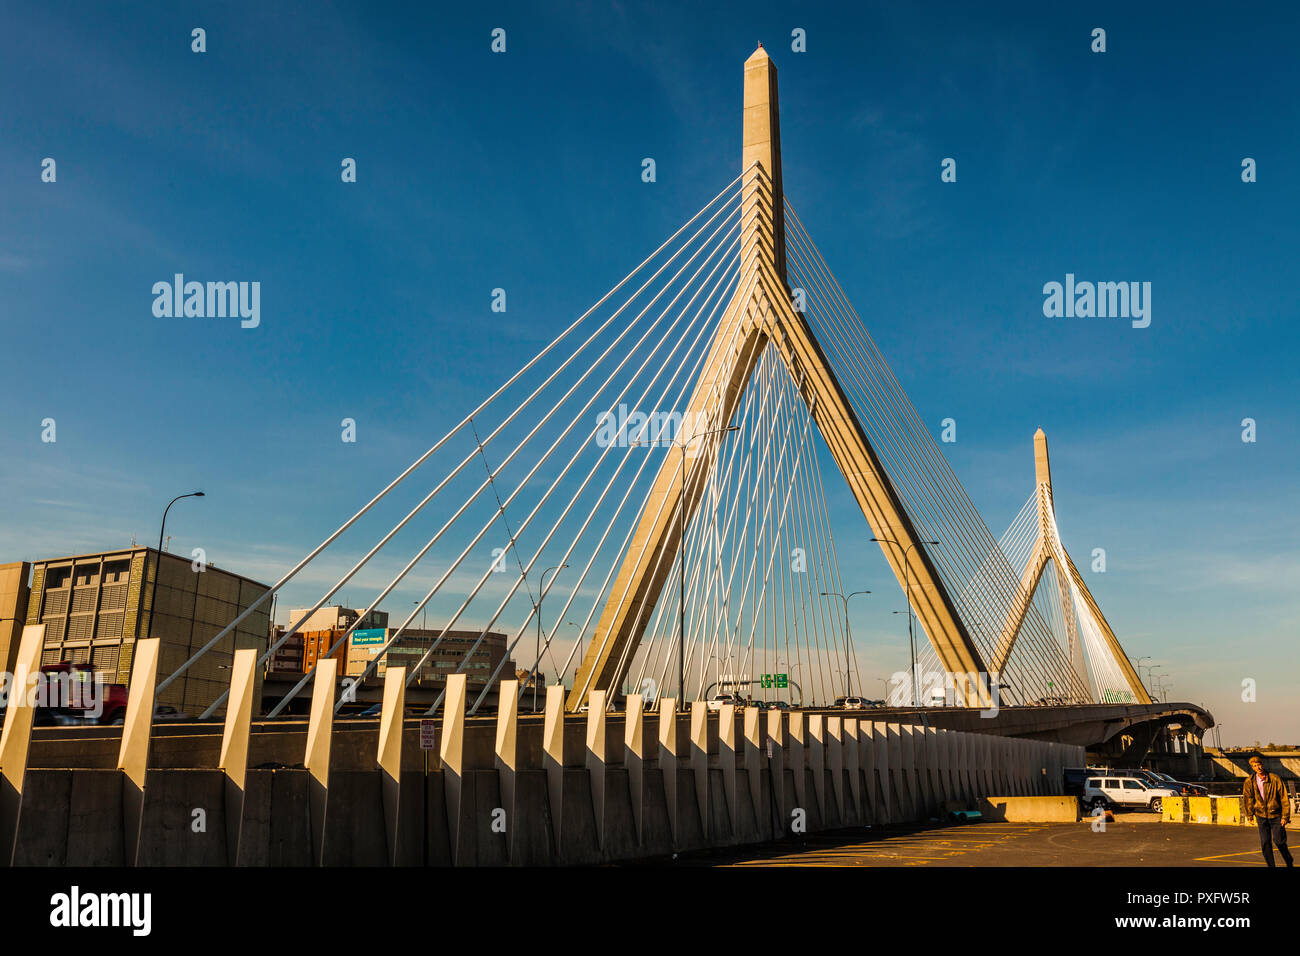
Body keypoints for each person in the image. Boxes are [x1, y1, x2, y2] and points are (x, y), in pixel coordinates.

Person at [1242, 753, 1293, 867]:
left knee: (1279, 841)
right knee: (1265, 843)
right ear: (1252, 767)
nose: (1258, 768)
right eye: (1255, 766)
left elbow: (1284, 798)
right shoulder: (1249, 781)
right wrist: (1249, 815)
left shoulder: (1274, 778)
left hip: (1276, 815)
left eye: (1259, 765)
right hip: (1261, 816)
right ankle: (1271, 865)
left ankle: (1289, 861)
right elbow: (1248, 798)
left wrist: (1285, 816)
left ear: (1262, 764)